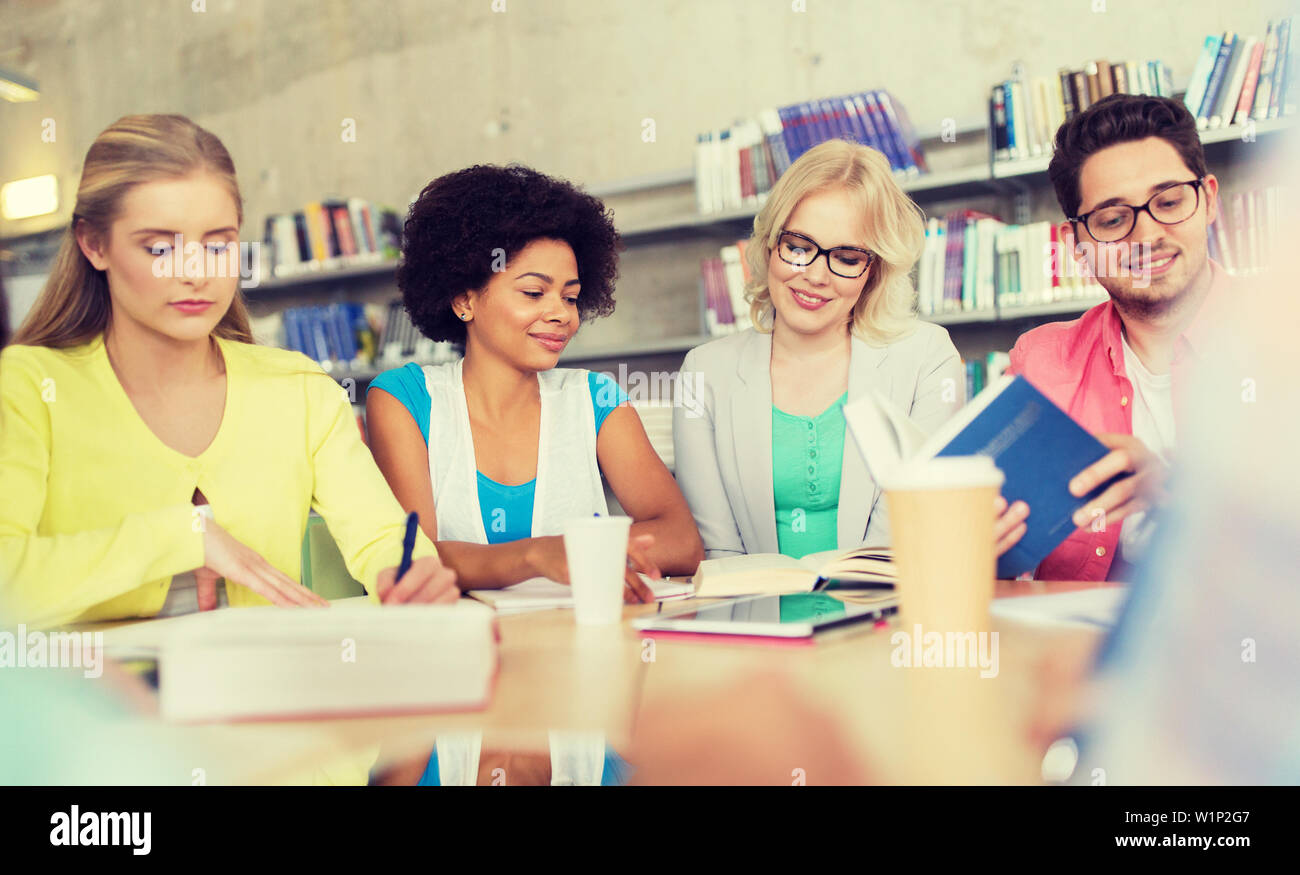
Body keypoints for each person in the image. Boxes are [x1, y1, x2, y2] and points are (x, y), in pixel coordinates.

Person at [0, 114, 460, 632]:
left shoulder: (298, 389)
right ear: (94, 244)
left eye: (217, 244)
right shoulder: (29, 387)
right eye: (159, 247)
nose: (196, 271)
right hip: (87, 705)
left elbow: (381, 537)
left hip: (265, 696)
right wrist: (183, 538)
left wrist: (409, 573)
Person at [365, 163, 704, 784]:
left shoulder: (595, 400)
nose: (561, 314)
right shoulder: (402, 401)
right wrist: (542, 556)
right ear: (464, 297)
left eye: (571, 297)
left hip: (584, 676)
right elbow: (420, 558)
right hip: (453, 688)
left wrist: (593, 557)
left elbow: (681, 537)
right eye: (533, 292)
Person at [673, 138, 964, 560]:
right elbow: (720, 551)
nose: (815, 276)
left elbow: (894, 547)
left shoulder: (927, 357)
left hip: (882, 617)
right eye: (798, 247)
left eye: (846, 258)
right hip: (753, 619)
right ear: (770, 245)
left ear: (873, 271)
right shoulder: (704, 372)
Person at [997, 93, 1233, 581]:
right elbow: (1001, 558)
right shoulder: (1039, 362)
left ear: (1209, 200)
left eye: (1168, 202)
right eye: (1112, 220)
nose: (1146, 235)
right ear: (1077, 245)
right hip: (1075, 651)